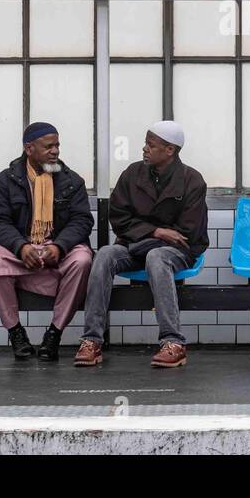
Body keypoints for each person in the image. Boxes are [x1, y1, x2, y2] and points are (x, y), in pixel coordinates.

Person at [74, 120, 209, 369]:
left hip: (177, 251)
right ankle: (92, 340)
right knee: (105, 254)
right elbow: (119, 218)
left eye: (151, 144)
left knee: (157, 257)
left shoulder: (192, 180)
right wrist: (156, 231)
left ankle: (173, 343)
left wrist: (150, 239)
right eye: (145, 143)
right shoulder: (132, 174)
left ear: (170, 150)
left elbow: (186, 234)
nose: (144, 149)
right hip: (135, 244)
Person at [0, 121, 94, 361]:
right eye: (49, 146)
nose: (55, 151)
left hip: (57, 250)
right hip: (21, 250)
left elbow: (82, 221)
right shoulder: (5, 181)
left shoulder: (72, 181)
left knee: (83, 260)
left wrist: (59, 246)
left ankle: (54, 333)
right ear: (29, 148)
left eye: (57, 146)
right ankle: (16, 332)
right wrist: (21, 247)